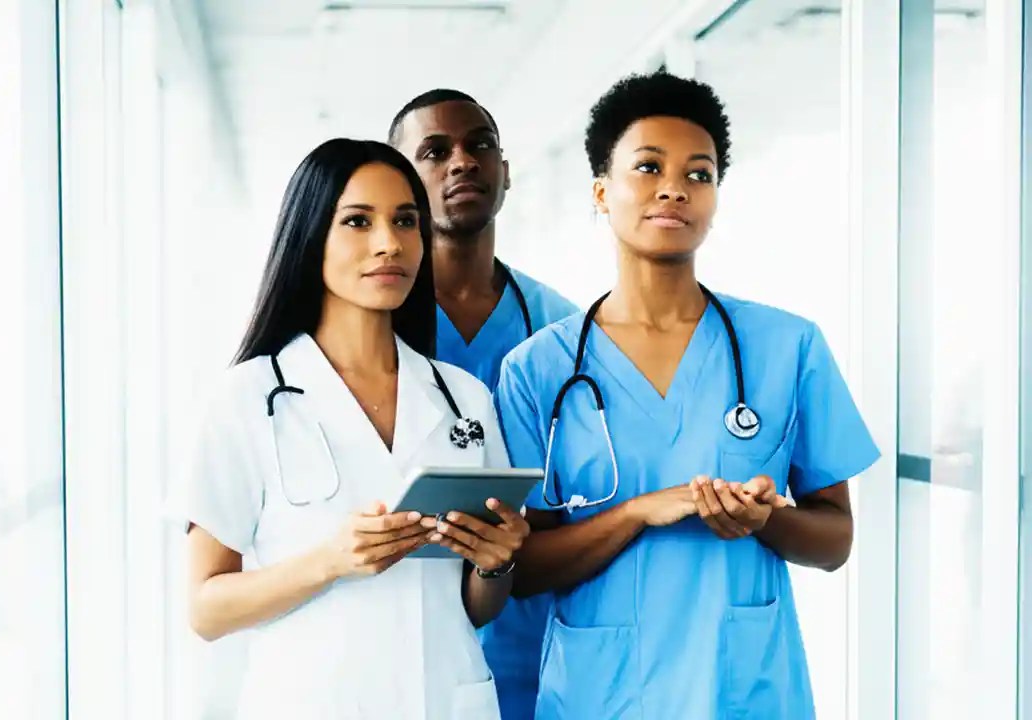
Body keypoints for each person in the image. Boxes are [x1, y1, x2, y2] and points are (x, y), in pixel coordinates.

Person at [495, 72, 880, 719]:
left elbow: (834, 542)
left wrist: (767, 520)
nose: (675, 187)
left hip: (744, 692)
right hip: (602, 695)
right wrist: (636, 513)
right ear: (601, 191)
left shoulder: (787, 347)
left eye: (699, 174)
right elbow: (521, 569)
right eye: (648, 167)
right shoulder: (540, 370)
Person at [185, 138, 530, 720]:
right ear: (310, 236)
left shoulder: (464, 399)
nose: (389, 243)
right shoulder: (248, 398)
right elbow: (205, 609)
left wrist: (496, 564)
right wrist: (331, 560)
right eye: (358, 221)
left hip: (446, 700)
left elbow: (472, 607)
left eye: (406, 221)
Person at [389, 89, 577, 719]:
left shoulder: (564, 330)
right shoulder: (372, 325)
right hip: (402, 625)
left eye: (480, 145)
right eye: (434, 151)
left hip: (531, 636)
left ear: (505, 172)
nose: (463, 162)